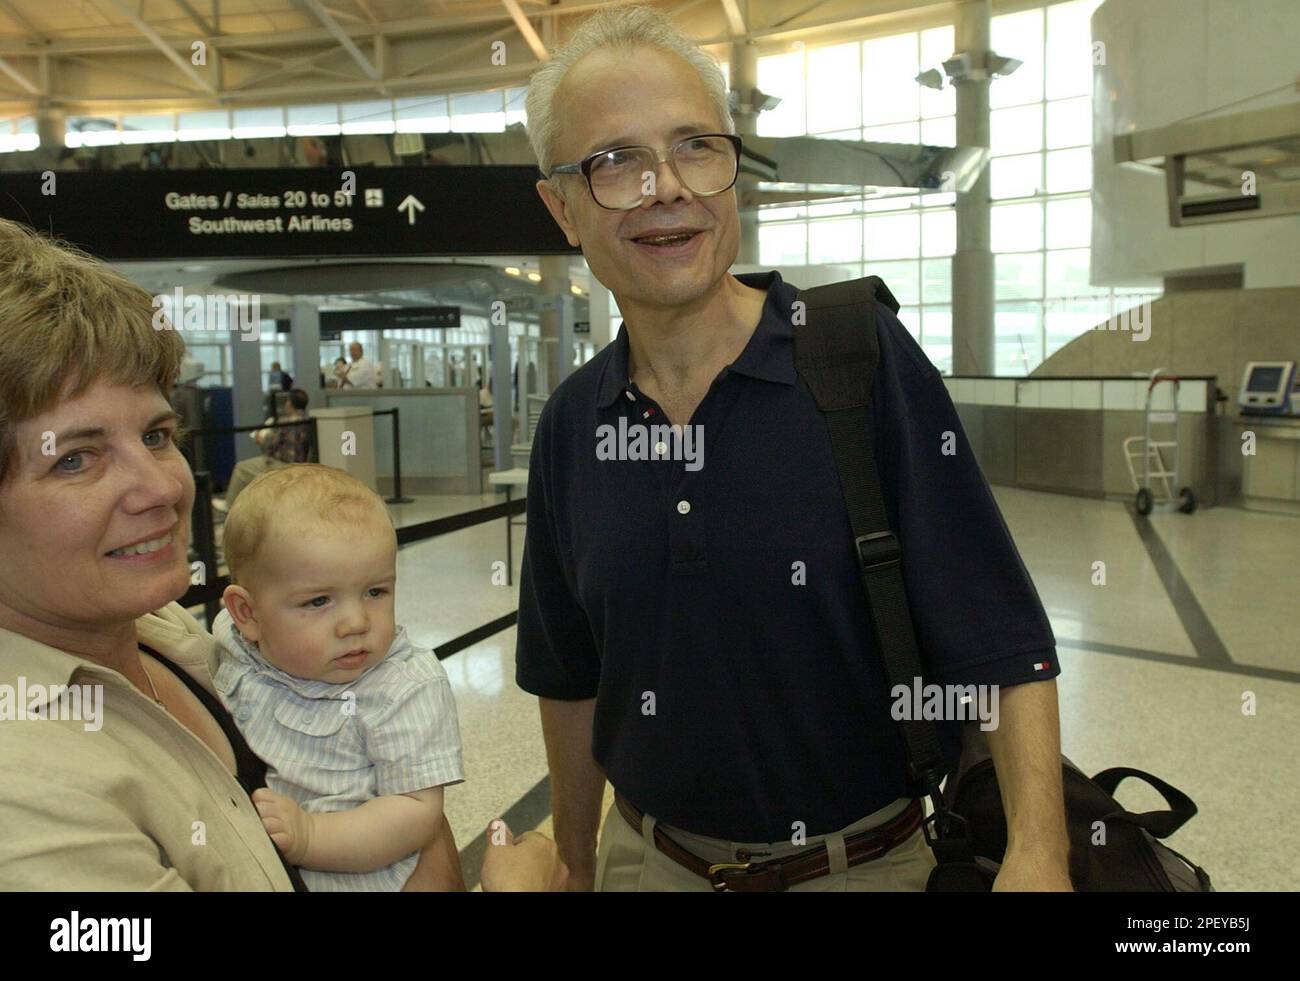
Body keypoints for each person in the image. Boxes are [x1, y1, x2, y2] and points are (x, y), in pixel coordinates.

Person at [515, 4, 1071, 892]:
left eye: (696, 146)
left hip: (865, 866)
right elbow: (570, 676)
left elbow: (998, 634)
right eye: (616, 161)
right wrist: (578, 862)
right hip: (648, 863)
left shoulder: (857, 359)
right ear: (562, 207)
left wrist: (1040, 855)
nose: (667, 187)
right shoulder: (574, 426)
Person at [0, 216, 562, 891]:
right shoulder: (28, 800)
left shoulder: (169, 633)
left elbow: (412, 812)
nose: (164, 488)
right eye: (74, 458)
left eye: (155, 435)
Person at [214, 464, 464, 891]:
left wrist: (311, 836)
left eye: (375, 592)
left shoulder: (401, 686)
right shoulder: (231, 644)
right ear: (247, 614)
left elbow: (416, 811)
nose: (356, 623)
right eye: (318, 601)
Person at [215, 388, 311, 512]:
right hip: (299, 464)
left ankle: (230, 506)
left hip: (280, 464)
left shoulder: (284, 422)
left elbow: (269, 443)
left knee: (241, 469)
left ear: (289, 403)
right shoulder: (308, 420)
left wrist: (259, 437)